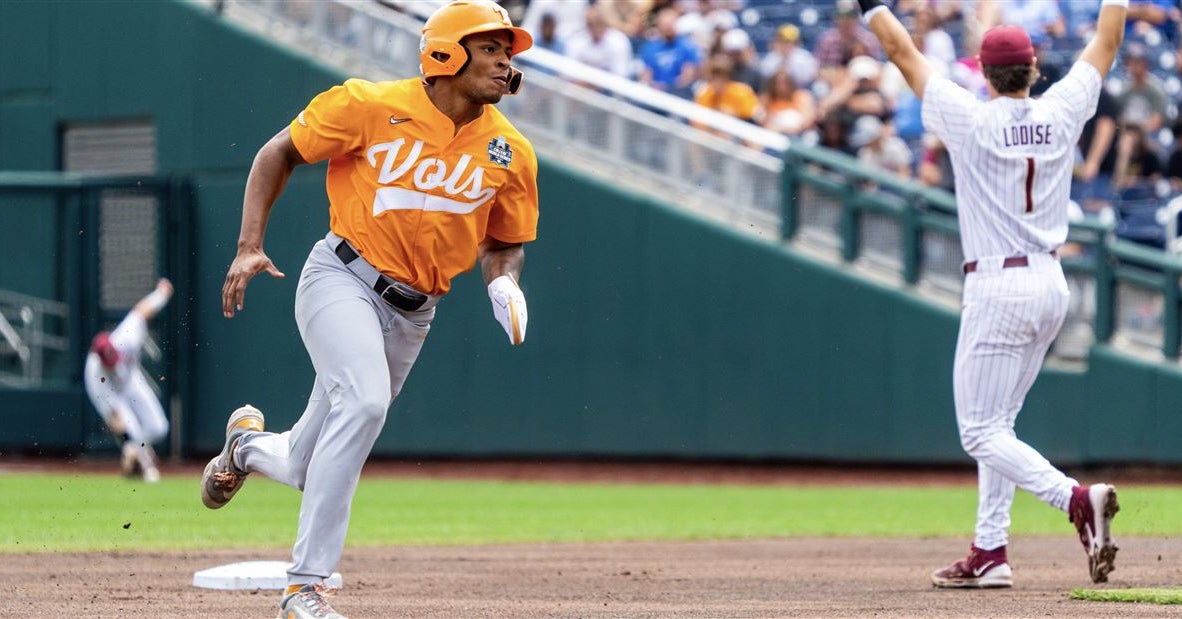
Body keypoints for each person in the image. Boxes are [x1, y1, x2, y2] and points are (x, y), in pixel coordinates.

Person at [201, 2, 539, 617]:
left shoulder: (510, 151)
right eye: (489, 47)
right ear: (445, 54)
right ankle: (305, 586)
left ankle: (243, 449)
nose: (504, 61)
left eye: (507, 51)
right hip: (341, 278)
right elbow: (277, 153)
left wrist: (503, 284)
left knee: (306, 465)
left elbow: (504, 243)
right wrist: (249, 245)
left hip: (415, 314)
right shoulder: (367, 104)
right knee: (364, 402)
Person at [854, 0, 1128, 588]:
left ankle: (1076, 500)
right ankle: (990, 551)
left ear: (982, 70)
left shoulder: (969, 118)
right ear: (1033, 70)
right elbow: (1106, 41)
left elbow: (902, 52)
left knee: (979, 432)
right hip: (1052, 284)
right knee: (999, 423)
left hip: (998, 284)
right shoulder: (1061, 109)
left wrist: (872, 7)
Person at [83, 278, 173, 483]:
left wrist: (160, 295)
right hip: (112, 391)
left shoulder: (124, 337)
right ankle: (146, 468)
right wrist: (129, 440)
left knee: (160, 428)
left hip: (131, 378)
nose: (111, 362)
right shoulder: (95, 375)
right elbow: (117, 420)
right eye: (108, 361)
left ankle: (132, 454)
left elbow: (140, 312)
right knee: (133, 431)